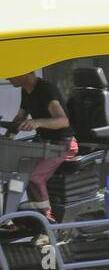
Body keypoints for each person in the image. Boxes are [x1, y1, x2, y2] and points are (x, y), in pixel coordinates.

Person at [4, 71, 76, 223]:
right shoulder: (26, 90)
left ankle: (47, 223)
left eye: (11, 73)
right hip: (43, 144)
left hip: (63, 145)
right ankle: (11, 219)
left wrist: (37, 122)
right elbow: (19, 118)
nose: (7, 77)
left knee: (34, 177)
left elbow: (63, 121)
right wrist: (7, 138)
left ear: (26, 71)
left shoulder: (46, 90)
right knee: (18, 173)